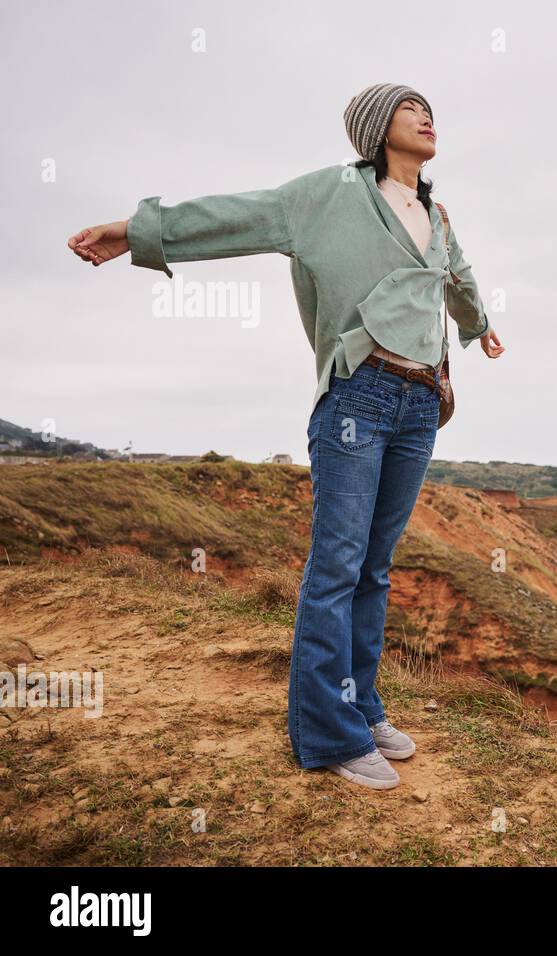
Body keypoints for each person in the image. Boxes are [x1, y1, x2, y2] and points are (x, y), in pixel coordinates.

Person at [66, 82, 505, 789]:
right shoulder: (328, 195)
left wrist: (479, 327)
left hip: (423, 401)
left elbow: (457, 278)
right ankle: (327, 736)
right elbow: (243, 214)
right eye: (408, 107)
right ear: (374, 127)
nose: (426, 117)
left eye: (431, 110)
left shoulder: (436, 212)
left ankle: (360, 708)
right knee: (337, 565)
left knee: (375, 568)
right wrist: (137, 231)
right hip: (358, 393)